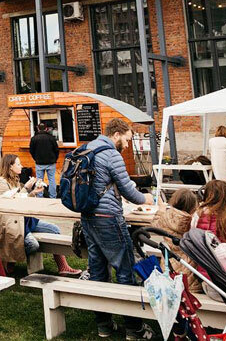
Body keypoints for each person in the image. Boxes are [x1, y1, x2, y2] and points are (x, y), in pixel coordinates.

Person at [82, 118, 155, 340]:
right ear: (117, 134)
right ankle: (134, 329)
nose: (127, 144)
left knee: (97, 270)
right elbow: (128, 191)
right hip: (109, 219)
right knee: (125, 269)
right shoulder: (111, 153)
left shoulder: (86, 148)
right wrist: (147, 198)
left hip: (87, 216)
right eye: (127, 139)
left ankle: (104, 325)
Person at [0, 154, 82, 276]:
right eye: (18, 164)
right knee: (33, 244)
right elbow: (12, 202)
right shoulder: (1, 183)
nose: (21, 166)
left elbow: (22, 199)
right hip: (12, 223)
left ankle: (63, 267)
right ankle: (11, 259)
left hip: (25, 220)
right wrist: (27, 188)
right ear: (10, 167)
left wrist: (33, 192)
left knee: (54, 229)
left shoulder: (15, 179)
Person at [151, 189, 201, 293]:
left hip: (169, 262)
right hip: (189, 264)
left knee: (171, 289)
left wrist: (161, 210)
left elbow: (154, 225)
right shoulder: (193, 220)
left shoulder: (166, 217)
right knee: (189, 290)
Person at [29, 123, 60, 196]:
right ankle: (53, 196)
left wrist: (35, 158)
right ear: (46, 129)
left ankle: (40, 197)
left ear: (38, 128)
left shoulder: (34, 138)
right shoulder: (51, 138)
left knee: (39, 180)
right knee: (52, 180)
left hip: (39, 163)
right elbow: (56, 150)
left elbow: (31, 151)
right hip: (51, 162)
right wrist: (55, 159)